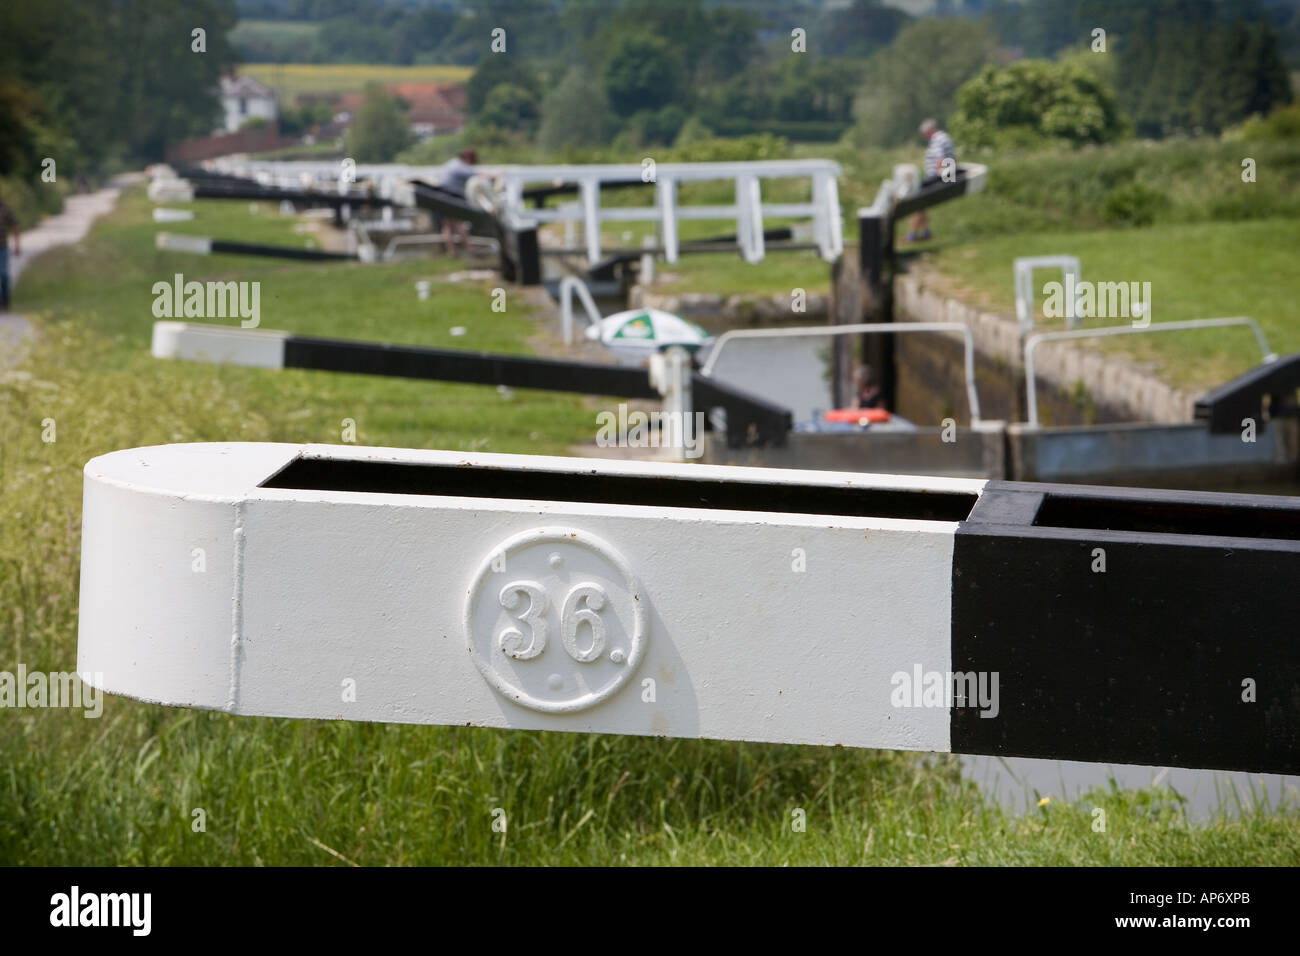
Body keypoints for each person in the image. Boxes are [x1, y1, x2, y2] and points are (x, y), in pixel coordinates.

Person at [906, 118, 956, 243]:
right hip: (942, 176)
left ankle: (911, 234)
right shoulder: (944, 137)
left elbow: (940, 159)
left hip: (937, 177)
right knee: (922, 204)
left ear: (929, 131)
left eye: (924, 134)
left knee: (917, 201)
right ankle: (926, 231)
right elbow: (953, 157)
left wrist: (941, 178)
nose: (924, 137)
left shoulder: (938, 139)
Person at [438, 148, 477, 256]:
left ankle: (453, 251)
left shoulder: (453, 163)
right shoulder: (460, 167)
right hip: (450, 196)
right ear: (468, 159)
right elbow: (475, 175)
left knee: (449, 224)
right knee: (456, 223)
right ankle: (469, 249)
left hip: (443, 195)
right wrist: (496, 175)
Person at [0, 197, 19, 312]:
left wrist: (17, 245)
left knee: (3, 275)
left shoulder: (5, 209)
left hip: (2, 247)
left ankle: (5, 300)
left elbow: (15, 226)